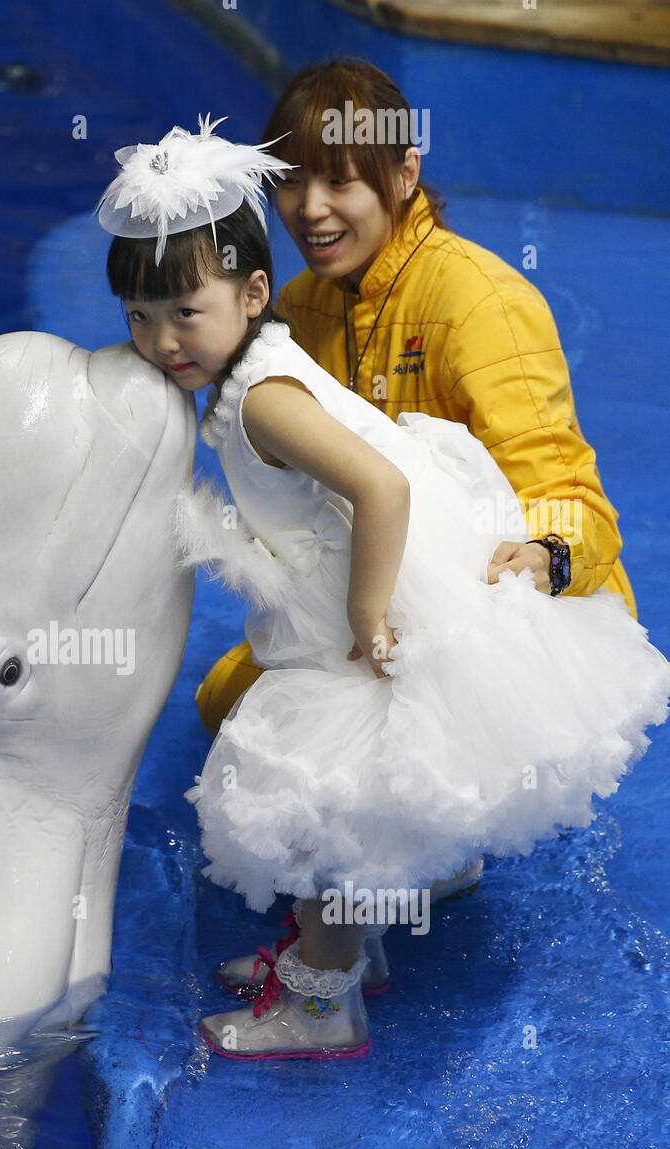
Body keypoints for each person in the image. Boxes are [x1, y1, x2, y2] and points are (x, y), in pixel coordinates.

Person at [97, 117, 670, 1060]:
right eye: (138, 317)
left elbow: (382, 486)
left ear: (251, 292)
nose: (162, 341)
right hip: (360, 588)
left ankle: (321, 1004)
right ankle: (343, 956)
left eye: (184, 313)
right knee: (342, 795)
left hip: (379, 608)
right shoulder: (259, 361)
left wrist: (368, 612)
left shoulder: (264, 399)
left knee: (330, 798)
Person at [197, 59, 637, 737]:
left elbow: (575, 502)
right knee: (227, 703)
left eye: (339, 180)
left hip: (511, 608)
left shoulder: (483, 305)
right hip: (383, 596)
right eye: (291, 180)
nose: (309, 210)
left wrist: (547, 558)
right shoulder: (300, 305)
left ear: (405, 173)